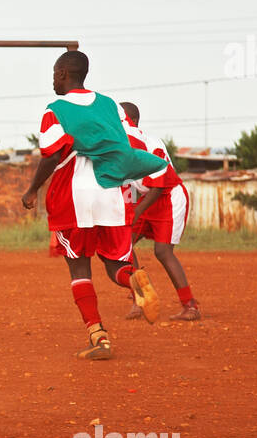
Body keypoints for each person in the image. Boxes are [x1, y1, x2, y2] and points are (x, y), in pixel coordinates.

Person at [20, 50, 167, 360]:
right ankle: (134, 280)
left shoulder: (54, 109)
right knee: (114, 263)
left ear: (62, 74)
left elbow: (50, 154)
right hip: (110, 191)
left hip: (73, 195)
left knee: (79, 269)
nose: (52, 81)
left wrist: (33, 189)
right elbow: (130, 142)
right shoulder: (111, 105)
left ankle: (98, 336)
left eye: (53, 75)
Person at [119, 101, 200, 321]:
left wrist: (136, 212)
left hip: (168, 195)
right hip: (149, 197)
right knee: (122, 243)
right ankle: (140, 298)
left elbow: (159, 184)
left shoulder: (150, 143)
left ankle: (190, 305)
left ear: (132, 121)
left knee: (163, 251)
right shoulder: (124, 145)